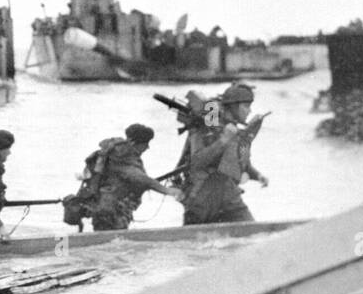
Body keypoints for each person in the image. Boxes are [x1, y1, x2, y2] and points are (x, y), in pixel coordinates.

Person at [181, 83, 268, 225]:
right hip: (203, 198)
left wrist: (257, 175)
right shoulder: (205, 128)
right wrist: (223, 140)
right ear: (233, 107)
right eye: (245, 106)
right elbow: (196, 162)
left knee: (251, 233)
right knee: (193, 241)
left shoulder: (235, 131)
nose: (249, 111)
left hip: (230, 197)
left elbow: (238, 163)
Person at [68, 124, 183, 231]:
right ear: (135, 143)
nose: (147, 147)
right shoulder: (123, 156)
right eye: (145, 143)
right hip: (113, 212)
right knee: (113, 244)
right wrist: (167, 190)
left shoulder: (110, 154)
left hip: (103, 208)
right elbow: (141, 179)